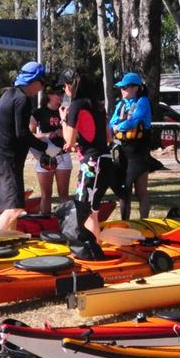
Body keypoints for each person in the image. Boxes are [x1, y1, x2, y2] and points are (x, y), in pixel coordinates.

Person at [0, 61, 46, 230]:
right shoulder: (22, 99)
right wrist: (44, 149)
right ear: (34, 81)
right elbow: (22, 134)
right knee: (13, 209)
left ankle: (9, 243)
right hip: (6, 159)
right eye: (42, 83)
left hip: (3, 158)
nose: (41, 88)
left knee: (13, 207)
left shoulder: (10, 94)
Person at [61, 68, 111, 245]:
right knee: (92, 211)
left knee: (85, 210)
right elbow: (108, 137)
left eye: (64, 86)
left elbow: (68, 140)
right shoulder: (97, 105)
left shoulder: (76, 106)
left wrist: (63, 119)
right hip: (104, 159)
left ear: (69, 86)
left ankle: (91, 249)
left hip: (92, 164)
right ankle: (95, 244)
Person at [108, 72, 165, 220]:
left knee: (141, 191)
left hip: (139, 154)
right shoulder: (120, 104)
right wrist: (117, 127)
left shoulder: (143, 102)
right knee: (123, 190)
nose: (122, 90)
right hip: (123, 152)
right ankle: (124, 222)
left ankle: (144, 222)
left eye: (125, 87)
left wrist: (118, 127)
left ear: (136, 88)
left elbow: (134, 121)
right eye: (121, 87)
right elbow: (111, 123)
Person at [30, 85, 71, 217]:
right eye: (57, 93)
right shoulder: (39, 112)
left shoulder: (65, 111)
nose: (60, 96)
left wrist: (63, 132)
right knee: (46, 194)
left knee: (63, 194)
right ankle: (46, 223)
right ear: (49, 95)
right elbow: (28, 134)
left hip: (63, 155)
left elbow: (73, 133)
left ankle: (66, 222)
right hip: (45, 156)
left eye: (61, 93)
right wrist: (47, 135)